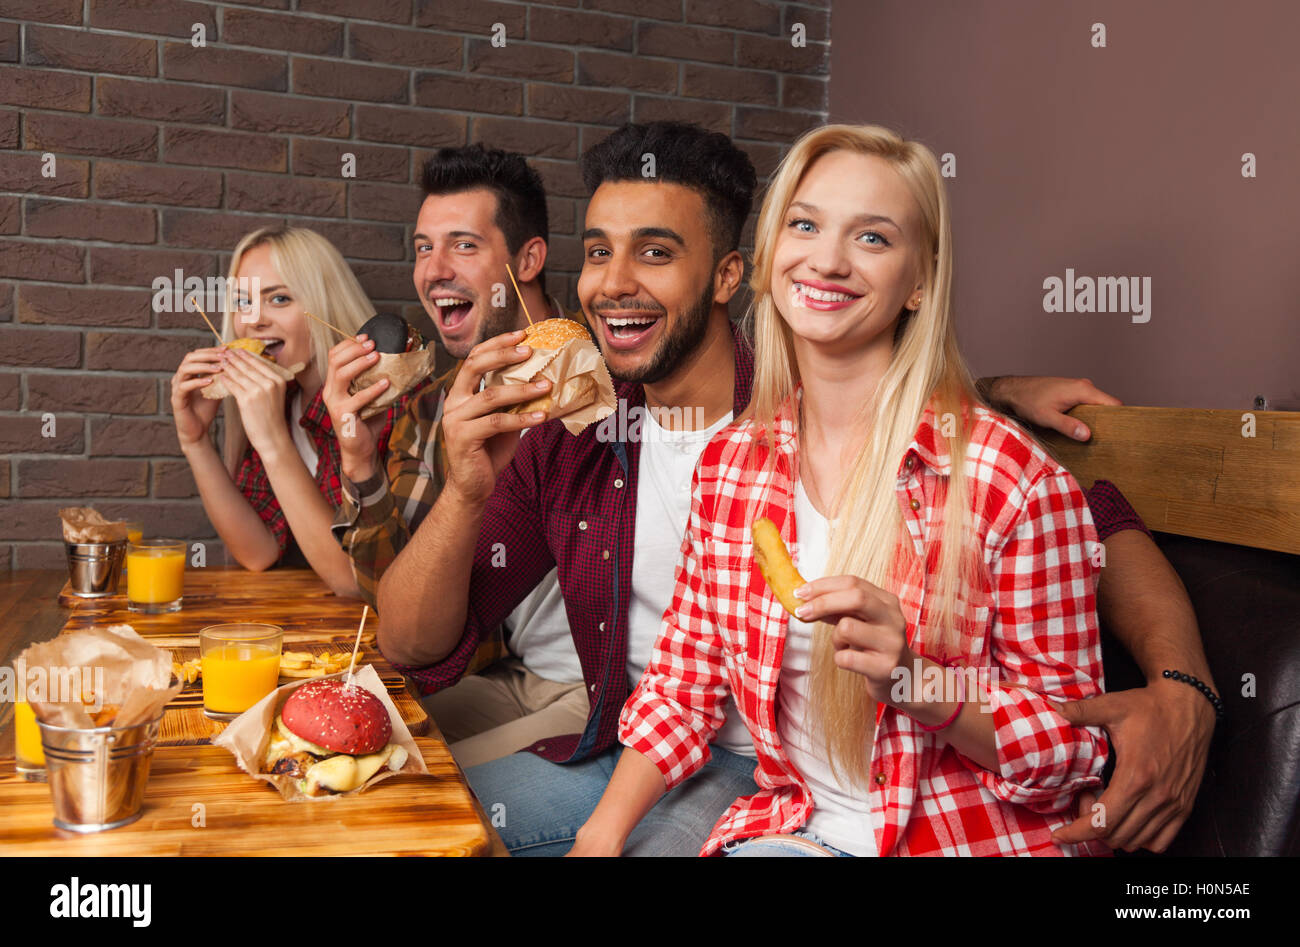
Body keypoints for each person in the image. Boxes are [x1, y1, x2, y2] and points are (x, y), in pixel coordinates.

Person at [367, 123, 1218, 855]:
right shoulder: (648, 445)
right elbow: (657, 681)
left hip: (887, 804)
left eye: (656, 252)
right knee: (402, 821)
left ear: (735, 273)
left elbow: (1085, 523)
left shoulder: (992, 465)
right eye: (600, 252)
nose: (615, 281)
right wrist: (464, 491)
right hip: (718, 775)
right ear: (780, 256)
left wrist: (1183, 688)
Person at [571, 123, 1115, 856]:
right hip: (796, 830)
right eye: (805, 225)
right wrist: (596, 841)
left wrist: (918, 682)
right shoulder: (734, 466)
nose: (826, 260)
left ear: (920, 282)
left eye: (873, 239)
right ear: (768, 259)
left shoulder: (1006, 478)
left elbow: (1074, 753)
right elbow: (680, 686)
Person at [323, 144, 590, 768]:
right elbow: (395, 614)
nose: (434, 269)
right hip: (503, 673)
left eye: (463, 245)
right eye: (423, 247)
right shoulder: (435, 404)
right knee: (333, 751)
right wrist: (359, 462)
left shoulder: (603, 379)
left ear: (528, 260)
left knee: (411, 784)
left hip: (604, 693)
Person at [169, 227, 418, 596]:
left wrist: (273, 441)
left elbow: (354, 582)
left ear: (325, 305)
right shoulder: (281, 401)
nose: (253, 320)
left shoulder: (389, 401)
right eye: (242, 302)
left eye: (280, 299)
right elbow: (258, 552)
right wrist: (195, 441)